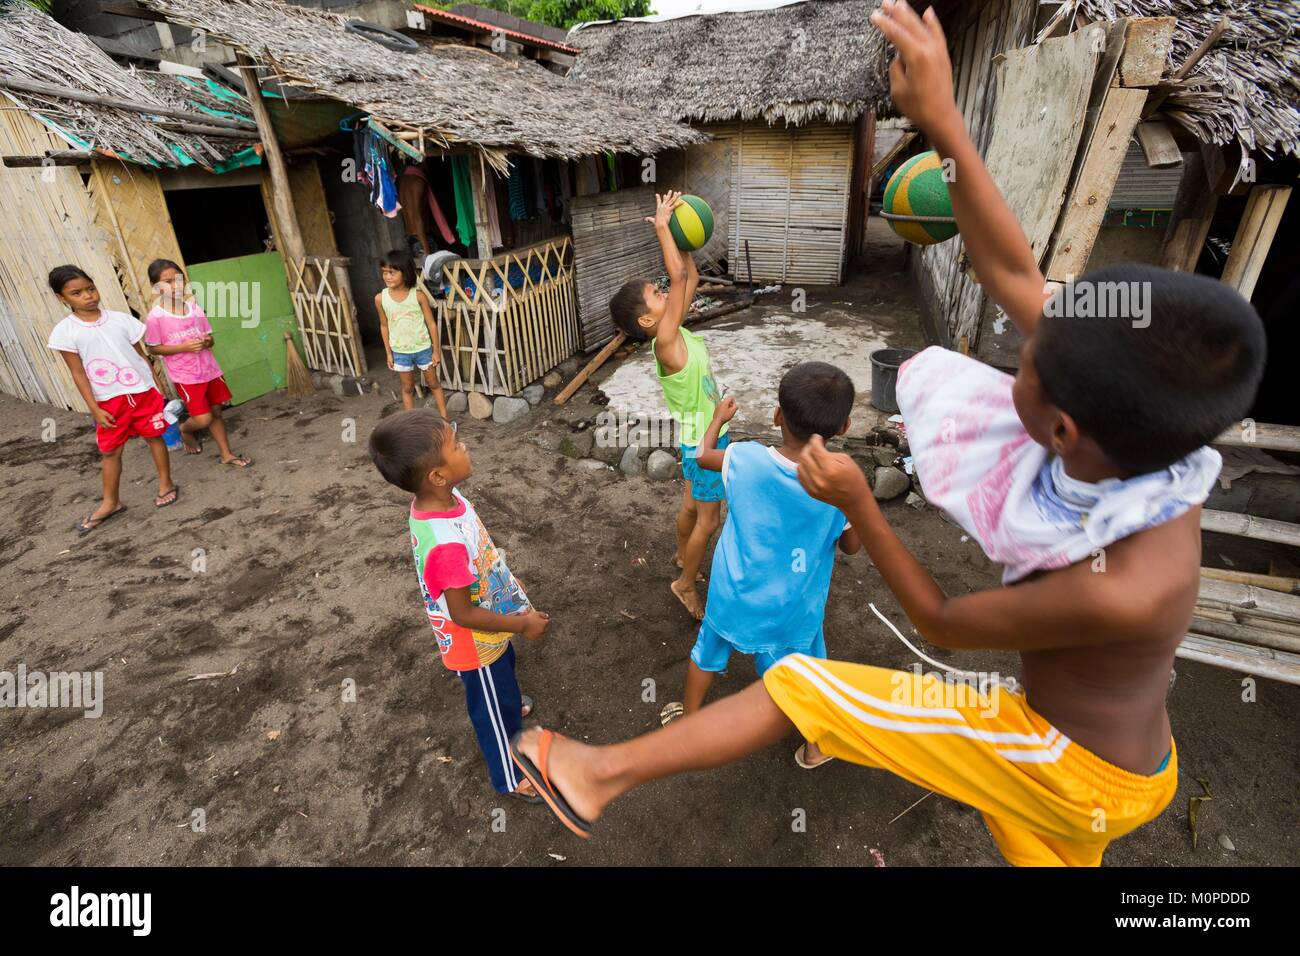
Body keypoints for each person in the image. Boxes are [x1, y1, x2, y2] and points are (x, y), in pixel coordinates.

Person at [507, 0, 1266, 865]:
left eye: (1024, 362)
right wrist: (942, 123)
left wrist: (862, 504)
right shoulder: (1143, 419)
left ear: (1060, 425)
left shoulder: (1126, 585)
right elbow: (1013, 267)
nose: (1020, 343)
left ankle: (598, 775)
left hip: (1067, 767)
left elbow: (941, 619)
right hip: (1130, 769)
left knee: (802, 686)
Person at [663, 365, 861, 777]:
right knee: (808, 671)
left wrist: (718, 419)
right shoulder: (841, 484)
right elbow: (852, 547)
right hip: (794, 607)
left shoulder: (744, 458)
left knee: (707, 653)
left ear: (776, 416)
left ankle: (688, 725)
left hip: (734, 594)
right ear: (844, 426)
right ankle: (815, 745)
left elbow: (701, 456)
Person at [369, 408, 551, 799]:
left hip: (490, 616)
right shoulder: (445, 545)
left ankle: (510, 703)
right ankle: (510, 775)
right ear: (438, 475)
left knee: (505, 671)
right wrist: (521, 625)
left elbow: (478, 549)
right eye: (456, 445)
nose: (465, 446)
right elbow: (463, 613)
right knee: (489, 706)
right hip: (473, 640)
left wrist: (504, 579)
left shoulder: (444, 498)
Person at [608, 190, 721, 619]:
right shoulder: (668, 340)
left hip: (697, 437)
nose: (665, 291)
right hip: (707, 443)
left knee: (692, 507)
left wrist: (685, 241)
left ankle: (680, 556)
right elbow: (678, 279)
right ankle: (685, 583)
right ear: (647, 321)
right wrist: (662, 227)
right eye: (656, 294)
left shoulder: (670, 330)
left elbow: (687, 279)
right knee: (709, 520)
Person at [47, 265, 179, 533]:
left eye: (90, 288)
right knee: (111, 452)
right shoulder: (65, 332)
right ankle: (111, 502)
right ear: (62, 299)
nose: (88, 296)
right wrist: (94, 409)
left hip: (142, 393)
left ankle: (166, 483)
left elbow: (142, 356)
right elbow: (78, 374)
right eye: (77, 293)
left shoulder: (122, 320)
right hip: (108, 401)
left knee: (155, 437)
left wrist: (158, 386)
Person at [143, 259, 251, 468]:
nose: (175, 286)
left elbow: (210, 337)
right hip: (187, 375)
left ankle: (226, 453)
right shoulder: (155, 318)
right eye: (167, 282)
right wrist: (183, 347)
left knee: (217, 413)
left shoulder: (194, 308)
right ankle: (185, 429)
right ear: (156, 287)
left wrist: (207, 341)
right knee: (203, 419)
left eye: (178, 280)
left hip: (210, 370)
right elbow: (153, 348)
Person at [376, 250, 447, 417]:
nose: (387, 276)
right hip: (400, 352)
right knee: (407, 388)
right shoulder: (380, 299)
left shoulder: (418, 296)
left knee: (433, 383)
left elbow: (431, 323)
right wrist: (388, 353)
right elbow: (384, 326)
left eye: (392, 272)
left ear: (405, 273)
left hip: (423, 349)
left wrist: (436, 351)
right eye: (384, 272)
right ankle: (411, 424)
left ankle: (444, 420)